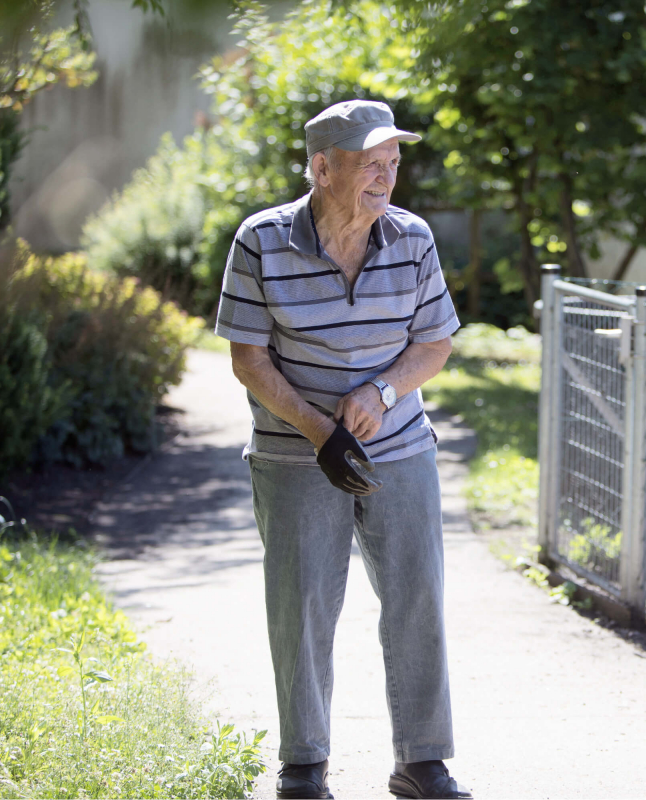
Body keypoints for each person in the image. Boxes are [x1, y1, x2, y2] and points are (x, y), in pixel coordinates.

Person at [215, 100, 470, 800]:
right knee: (301, 604)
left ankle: (421, 761)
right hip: (294, 452)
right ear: (322, 168)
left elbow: (435, 342)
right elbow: (248, 357)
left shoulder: (412, 238)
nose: (386, 176)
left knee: (417, 595)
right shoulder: (261, 240)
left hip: (401, 447)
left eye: (393, 162)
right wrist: (316, 428)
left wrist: (382, 394)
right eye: (370, 163)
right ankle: (303, 764)